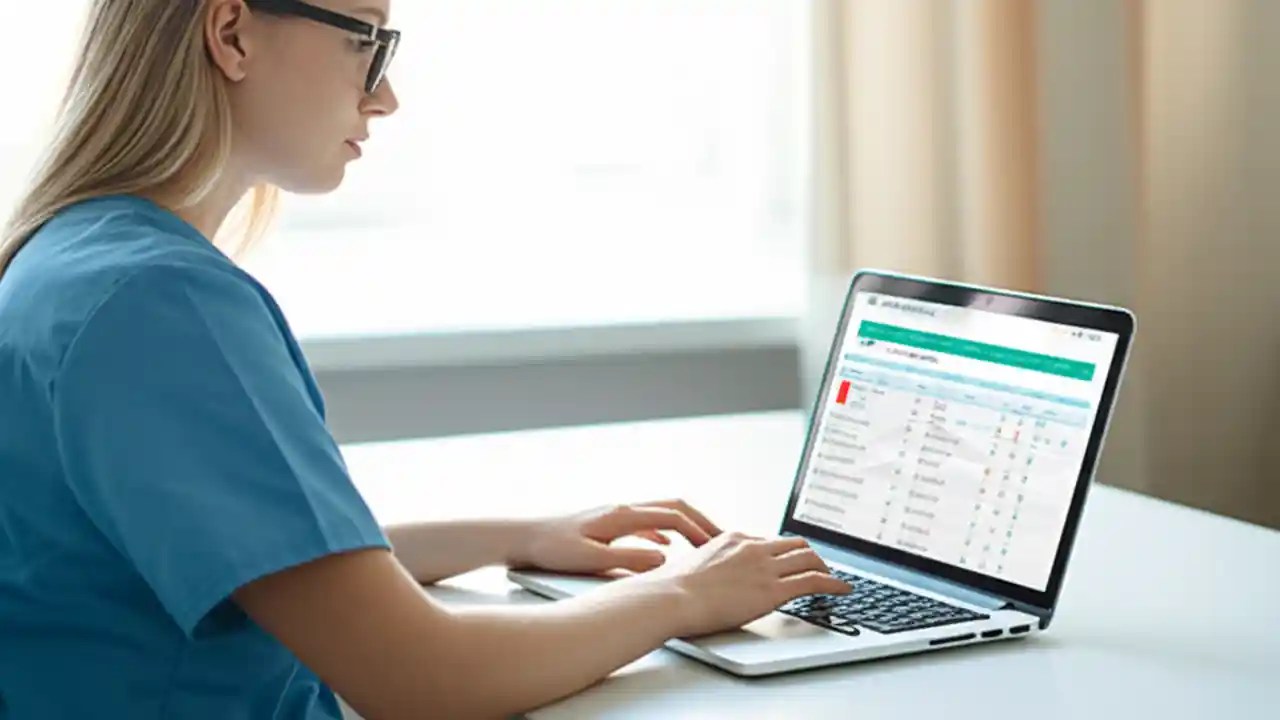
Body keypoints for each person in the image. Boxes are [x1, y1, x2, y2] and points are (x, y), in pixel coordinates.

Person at [0, 1, 851, 717]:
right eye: (367, 42)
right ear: (231, 34)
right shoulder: (163, 304)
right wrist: (683, 595)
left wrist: (520, 536)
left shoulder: (73, 262)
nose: (387, 97)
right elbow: (414, 675)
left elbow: (287, 570)